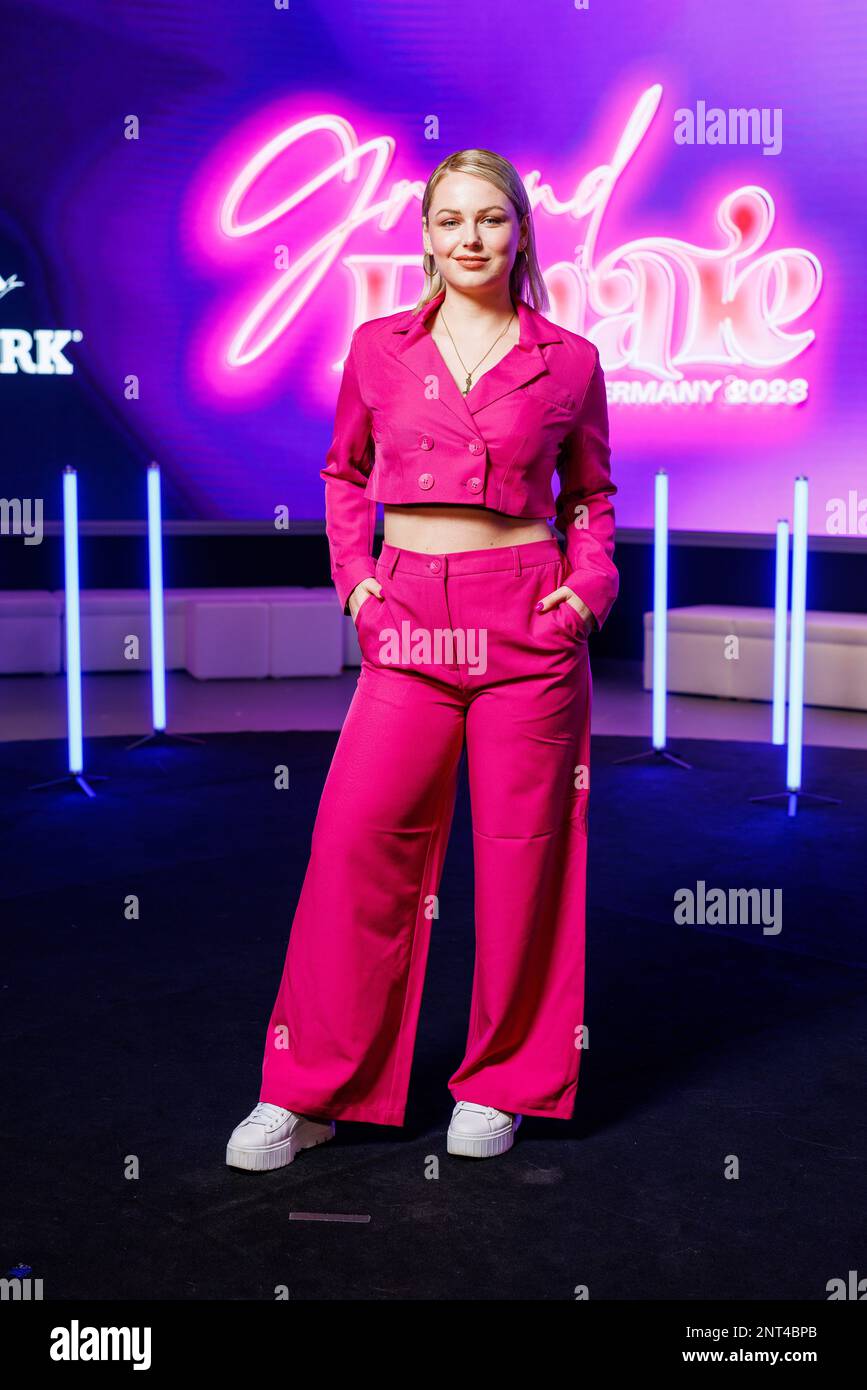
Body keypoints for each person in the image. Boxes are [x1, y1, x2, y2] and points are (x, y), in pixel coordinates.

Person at [226, 147, 619, 1170]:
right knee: (357, 842)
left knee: (526, 855)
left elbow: (592, 497)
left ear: (523, 230)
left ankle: (503, 1082)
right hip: (407, 620)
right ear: (428, 234)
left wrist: (586, 592)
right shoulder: (379, 347)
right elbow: (343, 471)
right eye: (452, 221)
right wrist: (357, 581)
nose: (473, 238)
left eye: (491, 219)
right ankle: (308, 1090)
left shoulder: (569, 358)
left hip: (530, 622)